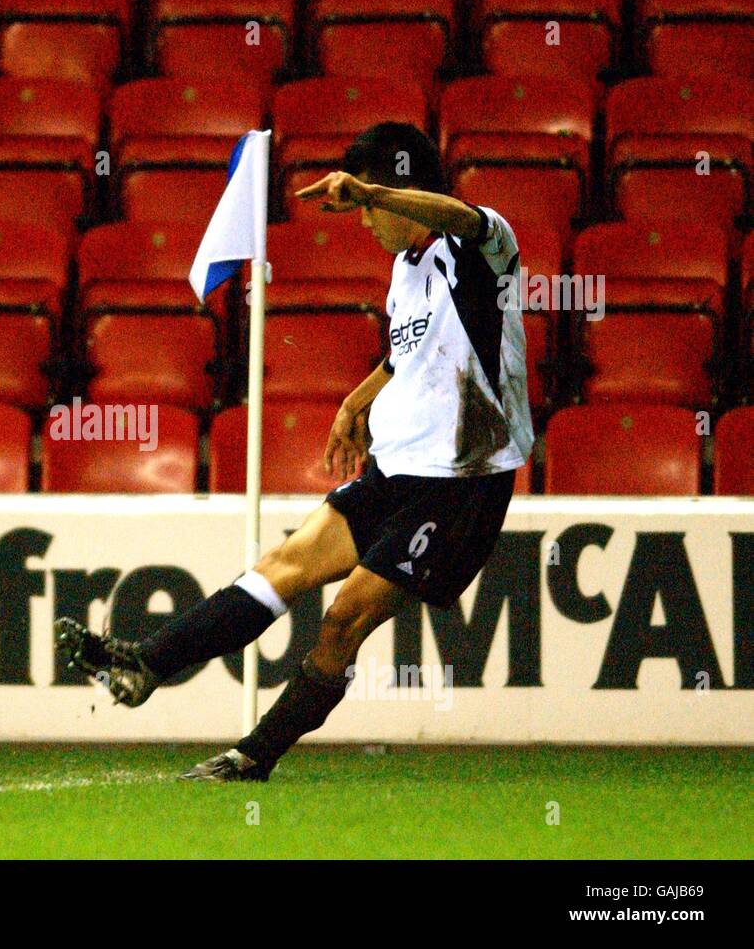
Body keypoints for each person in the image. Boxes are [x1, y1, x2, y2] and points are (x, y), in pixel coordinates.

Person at [55, 122, 535, 781]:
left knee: (342, 620)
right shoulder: (405, 271)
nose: (365, 219)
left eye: (373, 205)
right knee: (282, 563)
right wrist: (356, 400)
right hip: (396, 468)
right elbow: (409, 355)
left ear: (400, 193)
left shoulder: (485, 247)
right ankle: (147, 663)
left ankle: (255, 755)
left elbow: (457, 214)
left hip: (461, 481)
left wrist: (375, 191)